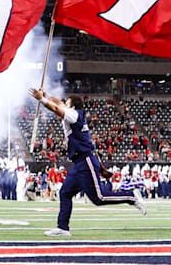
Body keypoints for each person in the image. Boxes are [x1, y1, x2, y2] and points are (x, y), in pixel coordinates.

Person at [29, 88, 146, 237]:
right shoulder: (73, 112)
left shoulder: (73, 114)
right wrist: (46, 95)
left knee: (99, 198)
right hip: (79, 163)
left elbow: (57, 108)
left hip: (85, 160)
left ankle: (131, 196)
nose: (64, 102)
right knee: (65, 192)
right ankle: (63, 227)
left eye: (67, 102)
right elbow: (58, 103)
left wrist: (42, 99)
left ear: (72, 105)